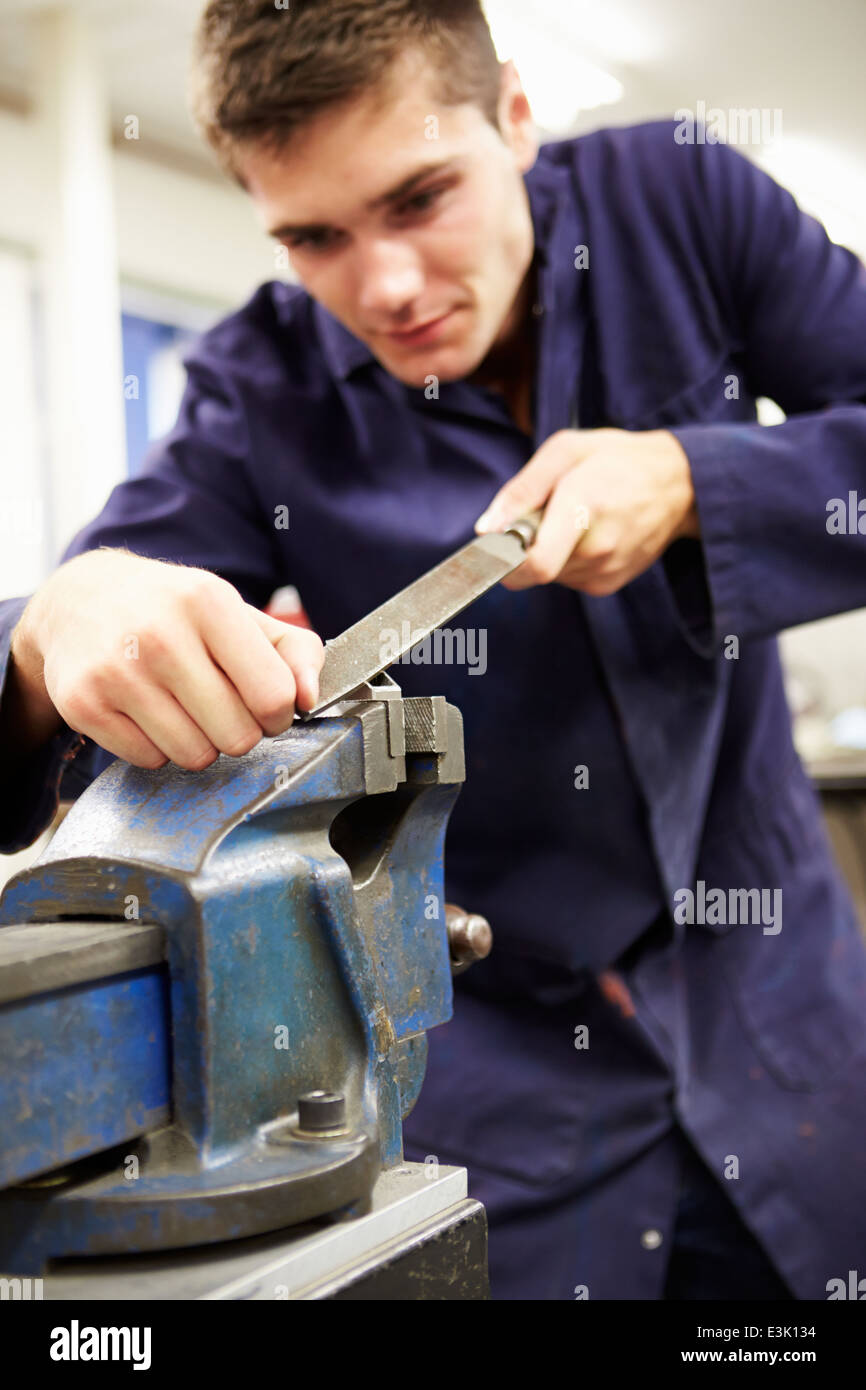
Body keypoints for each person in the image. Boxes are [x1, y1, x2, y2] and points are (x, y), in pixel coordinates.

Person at [2, 0, 865, 1301]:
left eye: (419, 197)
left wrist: (700, 477)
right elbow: (93, 607)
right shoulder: (257, 394)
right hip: (497, 1087)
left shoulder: (686, 202)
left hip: (782, 1015)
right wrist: (57, 628)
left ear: (513, 115)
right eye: (313, 236)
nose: (385, 286)